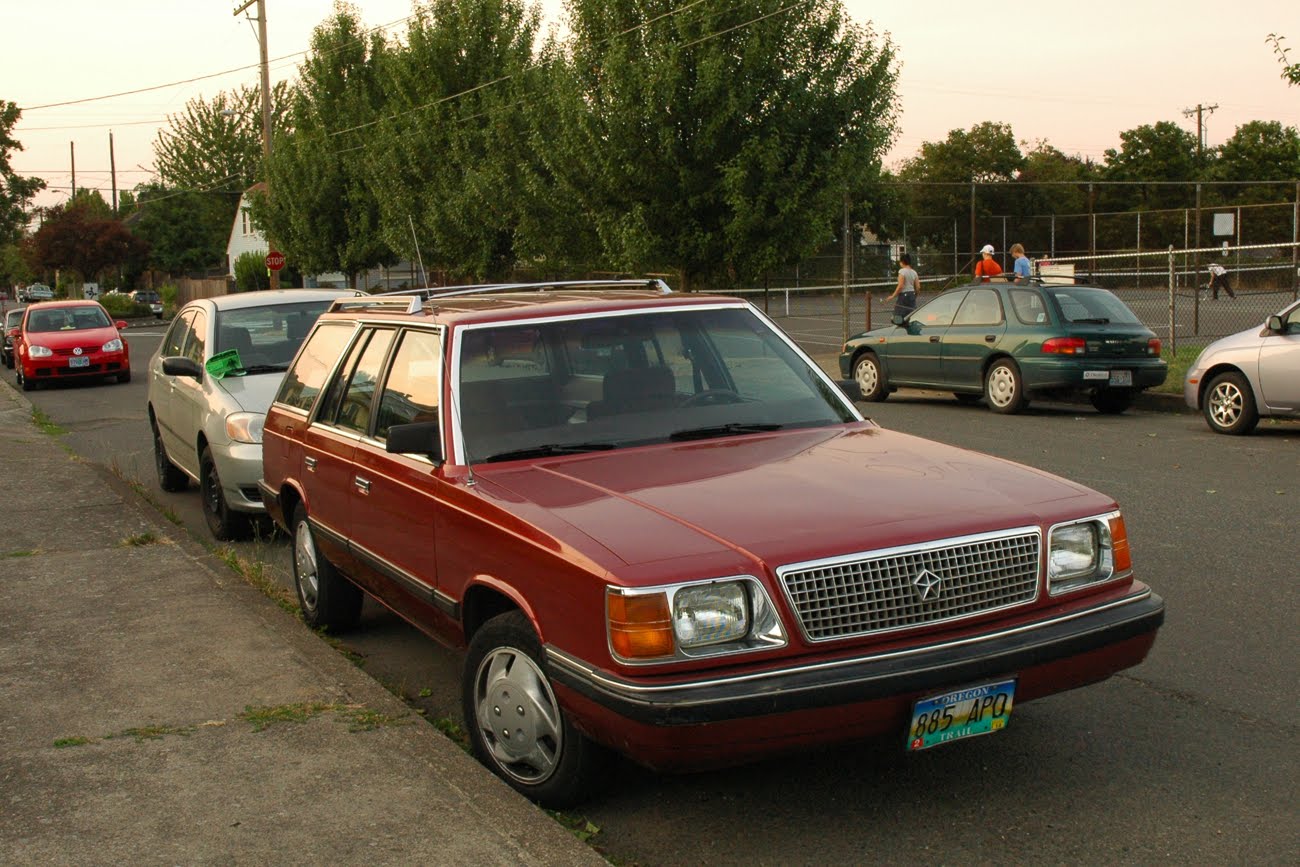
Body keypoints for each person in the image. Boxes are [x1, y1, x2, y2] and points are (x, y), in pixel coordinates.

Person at [887, 252, 919, 318]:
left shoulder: (902, 271)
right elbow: (918, 287)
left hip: (903, 296)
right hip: (912, 294)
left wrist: (893, 296)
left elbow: (900, 286)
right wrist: (915, 295)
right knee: (911, 315)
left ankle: (899, 327)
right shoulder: (914, 272)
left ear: (902, 262)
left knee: (897, 316)